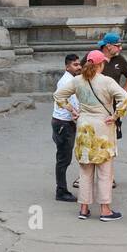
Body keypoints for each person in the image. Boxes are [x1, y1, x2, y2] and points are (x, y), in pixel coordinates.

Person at [53, 50, 127, 222]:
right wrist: (116, 116)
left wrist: (72, 110)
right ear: (101, 64)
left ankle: (84, 208)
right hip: (103, 127)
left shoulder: (77, 80)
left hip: (84, 126)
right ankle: (105, 210)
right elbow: (125, 98)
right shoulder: (107, 81)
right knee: (105, 172)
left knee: (85, 171)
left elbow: (58, 96)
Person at [51, 54, 81, 202]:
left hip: (64, 122)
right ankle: (61, 191)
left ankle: (61, 188)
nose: (79, 67)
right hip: (63, 123)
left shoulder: (72, 80)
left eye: (79, 64)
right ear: (67, 66)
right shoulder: (67, 81)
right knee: (63, 158)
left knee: (64, 157)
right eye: (75, 65)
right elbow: (67, 101)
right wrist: (76, 114)